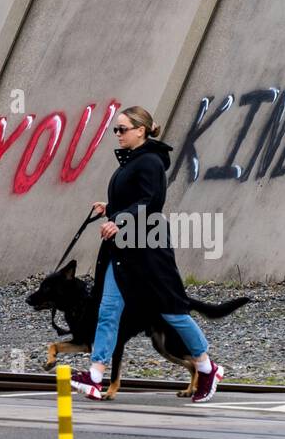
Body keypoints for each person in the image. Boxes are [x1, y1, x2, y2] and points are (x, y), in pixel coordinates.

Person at [69, 106, 223, 403]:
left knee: (172, 311)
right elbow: (135, 200)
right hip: (124, 250)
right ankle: (95, 375)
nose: (117, 134)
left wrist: (119, 220)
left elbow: (151, 201)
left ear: (141, 130)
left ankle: (207, 367)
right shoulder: (131, 162)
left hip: (148, 249)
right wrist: (110, 209)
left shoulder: (150, 161)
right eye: (116, 129)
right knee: (109, 311)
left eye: (122, 129)